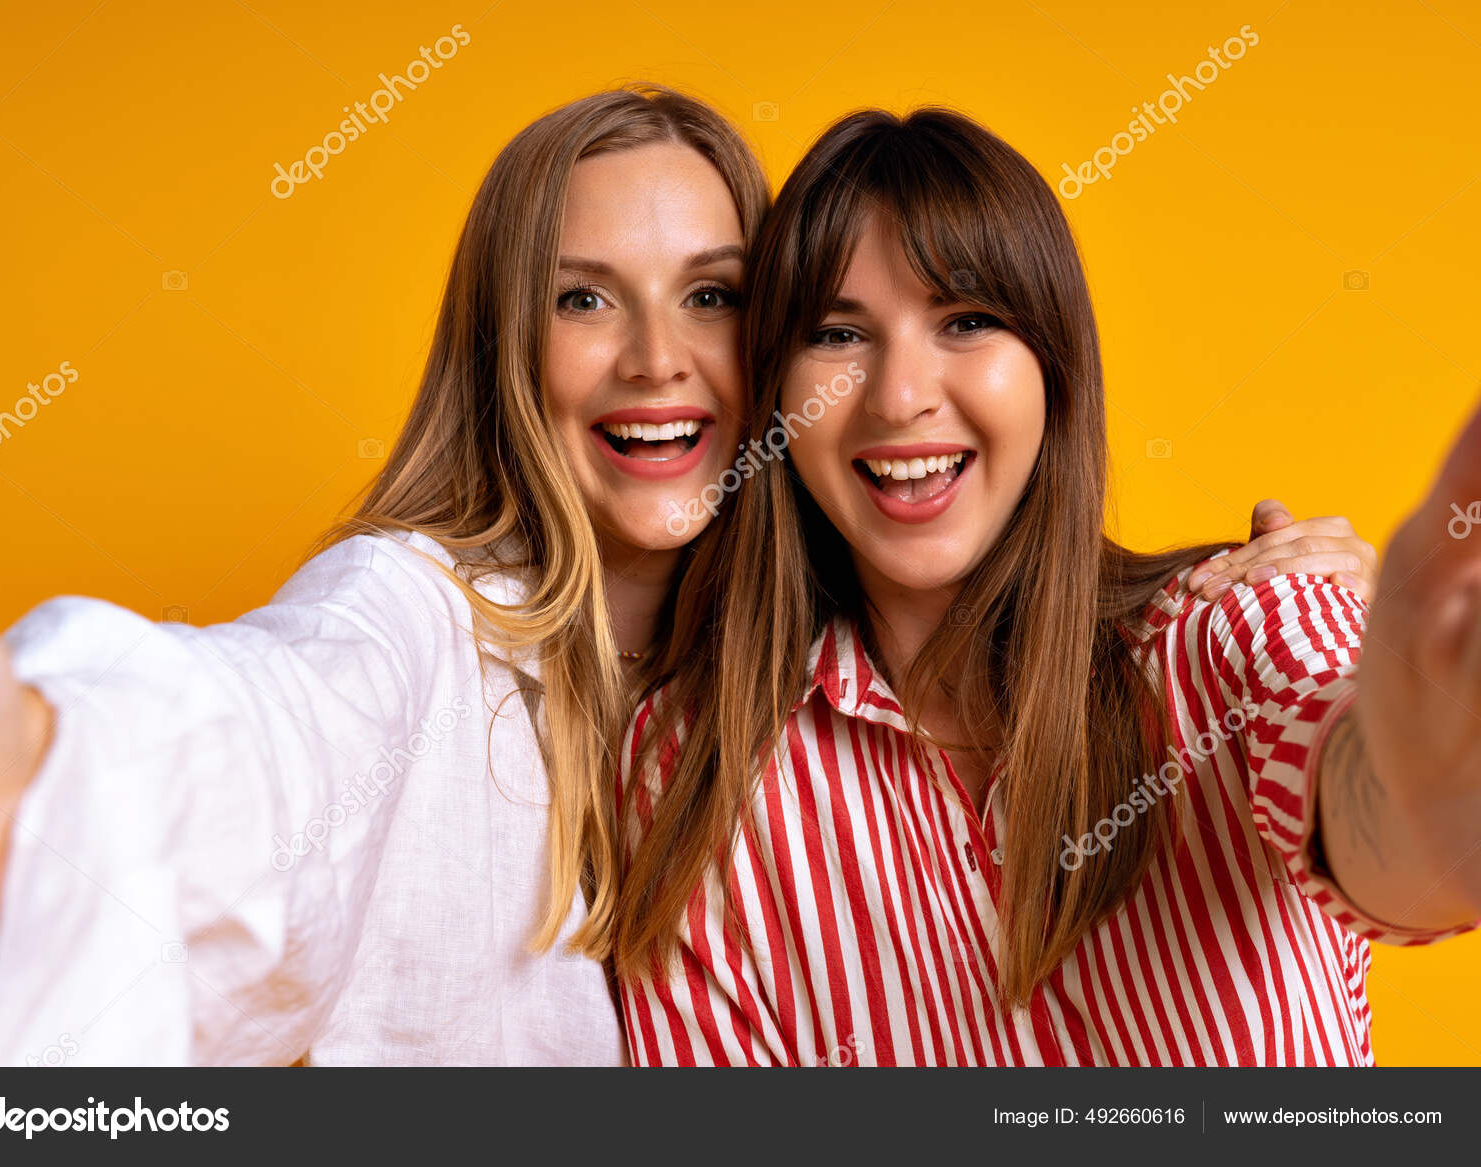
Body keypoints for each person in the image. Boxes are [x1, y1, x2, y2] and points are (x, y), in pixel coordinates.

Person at [0, 84, 767, 1065]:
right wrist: (38, 759)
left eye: (711, 295)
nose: (655, 359)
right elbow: (277, 724)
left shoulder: (832, 672)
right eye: (583, 299)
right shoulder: (410, 611)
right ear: (502, 348)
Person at [614, 107, 1477, 1066]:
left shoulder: (1244, 620)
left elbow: (1384, 834)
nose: (899, 396)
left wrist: (1431, 770)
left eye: (967, 321)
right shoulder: (696, 768)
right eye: (837, 334)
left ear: (1054, 365)